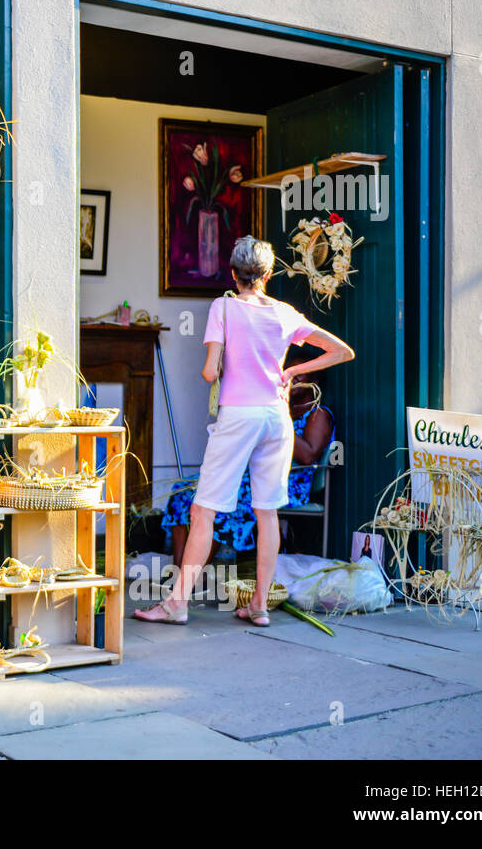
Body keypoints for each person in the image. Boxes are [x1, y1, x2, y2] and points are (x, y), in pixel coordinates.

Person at [134, 236, 354, 627]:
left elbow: (208, 370)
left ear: (233, 274)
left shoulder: (223, 306)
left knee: (203, 510)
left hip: (238, 416)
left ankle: (176, 604)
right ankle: (259, 606)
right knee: (266, 512)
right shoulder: (286, 313)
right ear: (268, 275)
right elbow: (342, 352)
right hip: (275, 417)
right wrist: (292, 371)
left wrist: (220, 370)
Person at [161, 348, 336, 561]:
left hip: (286, 484)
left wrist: (280, 415)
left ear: (315, 379)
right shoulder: (278, 410)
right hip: (252, 476)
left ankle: (197, 570)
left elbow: (308, 456)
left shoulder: (318, 415)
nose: (294, 378)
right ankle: (181, 570)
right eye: (290, 372)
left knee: (226, 499)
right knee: (183, 490)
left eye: (301, 374)